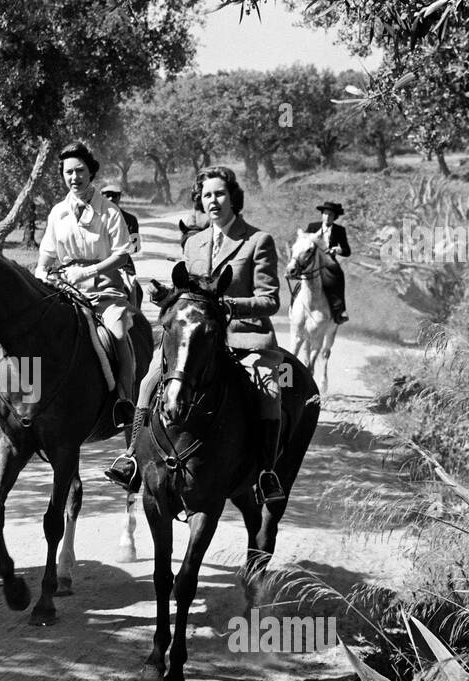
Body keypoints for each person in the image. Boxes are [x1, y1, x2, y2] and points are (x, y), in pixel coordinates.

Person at [106, 165, 287, 501]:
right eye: (206, 196)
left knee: (271, 392)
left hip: (244, 337)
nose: (213, 201)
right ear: (200, 202)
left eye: (219, 194)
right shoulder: (194, 242)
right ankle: (131, 457)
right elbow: (187, 292)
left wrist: (228, 306)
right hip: (195, 339)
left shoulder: (258, 240)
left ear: (234, 198)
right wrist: (166, 297)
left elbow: (270, 300)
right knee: (148, 381)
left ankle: (265, 473)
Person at [35, 143, 137, 429]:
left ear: (91, 172)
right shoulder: (57, 213)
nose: (74, 177)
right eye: (68, 172)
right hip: (65, 288)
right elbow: (47, 254)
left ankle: (123, 400)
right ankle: (26, 395)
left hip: (104, 288)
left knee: (117, 332)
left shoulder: (110, 212)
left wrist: (89, 271)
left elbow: (122, 255)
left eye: (80, 170)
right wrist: (41, 274)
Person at [304, 200, 350, 324]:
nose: (327, 217)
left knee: (339, 275)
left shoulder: (339, 230)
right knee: (297, 269)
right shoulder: (312, 226)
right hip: (312, 259)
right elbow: (304, 242)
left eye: (330, 215)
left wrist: (338, 250)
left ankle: (340, 310)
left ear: (334, 217)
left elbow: (347, 251)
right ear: (322, 214)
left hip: (328, 260)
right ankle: (293, 301)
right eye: (325, 214)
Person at [100, 184, 142, 309]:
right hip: (98, 261)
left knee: (132, 287)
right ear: (102, 196)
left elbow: (135, 247)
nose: (111, 198)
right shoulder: (93, 218)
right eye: (107, 195)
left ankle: (134, 317)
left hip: (123, 264)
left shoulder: (130, 219)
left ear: (119, 197)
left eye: (114, 195)